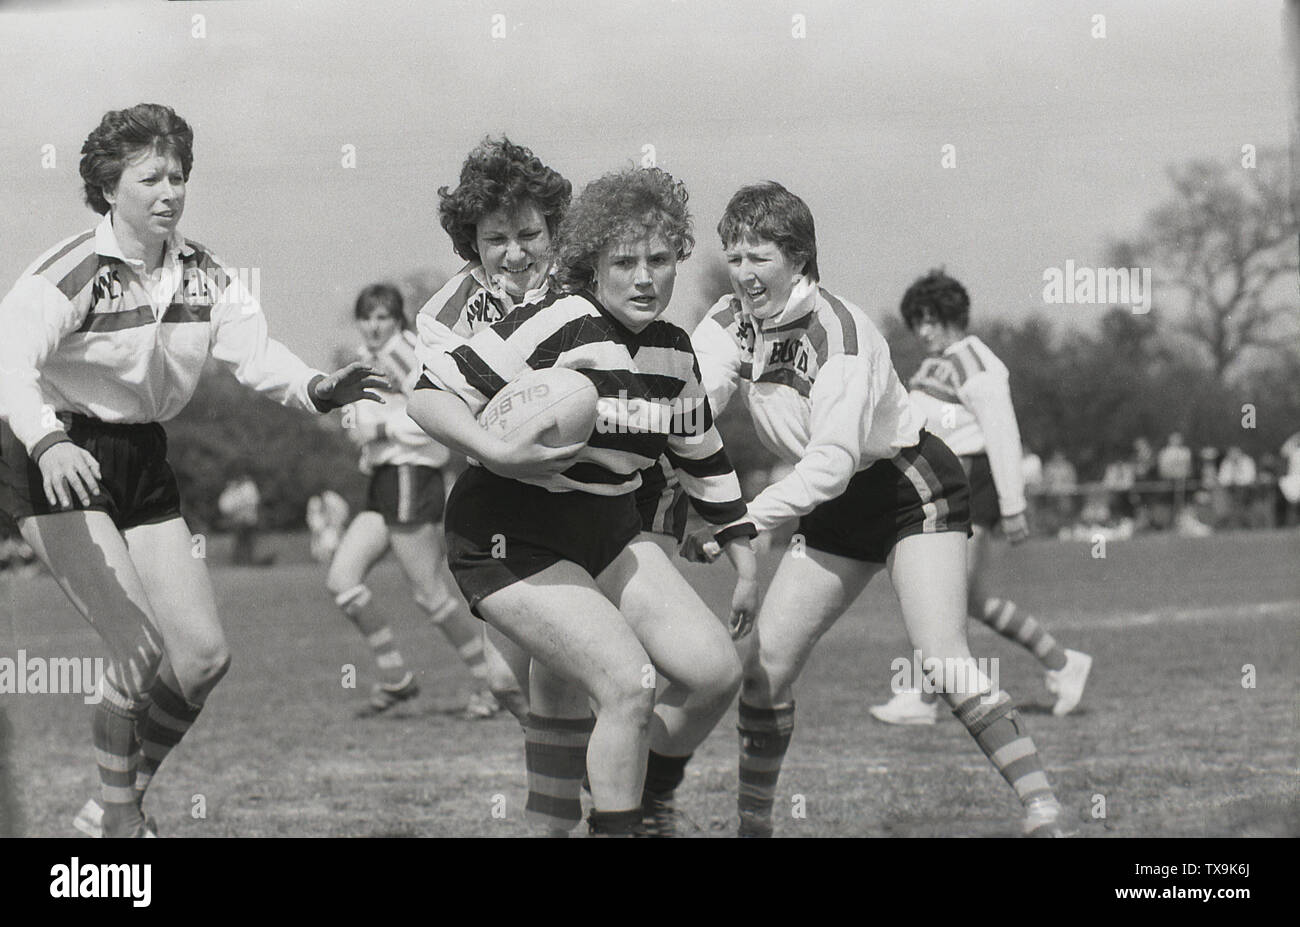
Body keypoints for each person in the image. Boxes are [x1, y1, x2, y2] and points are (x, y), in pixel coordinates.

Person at [0, 103, 384, 837]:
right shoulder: (70, 271)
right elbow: (10, 363)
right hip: (55, 456)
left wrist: (317, 387)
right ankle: (118, 825)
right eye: (151, 177)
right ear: (110, 188)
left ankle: (108, 805)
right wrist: (49, 441)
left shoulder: (202, 271)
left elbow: (256, 353)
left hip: (140, 457)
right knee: (139, 650)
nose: (170, 191)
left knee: (203, 657)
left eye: (178, 175)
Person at [683, 183, 1066, 837]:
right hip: (831, 502)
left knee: (943, 657)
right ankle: (754, 827)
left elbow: (831, 464)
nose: (744, 272)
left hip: (906, 485)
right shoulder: (728, 318)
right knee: (764, 669)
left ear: (799, 258)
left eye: (760, 256)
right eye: (735, 255)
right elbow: (697, 394)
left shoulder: (845, 336)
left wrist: (740, 518)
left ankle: (1044, 807)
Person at [408, 166, 757, 836]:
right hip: (509, 530)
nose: (644, 276)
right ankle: (603, 810)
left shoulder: (674, 351)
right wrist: (496, 447)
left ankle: (634, 790)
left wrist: (744, 555)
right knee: (620, 683)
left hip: (605, 530)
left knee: (714, 671)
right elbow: (425, 393)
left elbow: (700, 452)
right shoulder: (557, 321)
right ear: (593, 261)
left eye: (660, 259)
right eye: (624, 261)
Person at [868, 270, 1091, 726]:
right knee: (964, 598)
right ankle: (1063, 664)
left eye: (930, 320)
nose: (923, 330)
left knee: (943, 595)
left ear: (952, 317)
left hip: (971, 483)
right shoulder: (940, 361)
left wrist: (1013, 506)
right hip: (942, 483)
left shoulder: (976, 361)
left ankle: (921, 698)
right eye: (917, 322)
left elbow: (1002, 434)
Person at [324, 283, 500, 717]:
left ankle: (492, 683)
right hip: (383, 478)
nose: (373, 325)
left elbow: (437, 413)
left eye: (383, 316)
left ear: (398, 320)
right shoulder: (369, 358)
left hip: (411, 474)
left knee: (429, 593)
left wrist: (381, 432)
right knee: (343, 581)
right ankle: (396, 678)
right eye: (366, 317)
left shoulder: (404, 352)